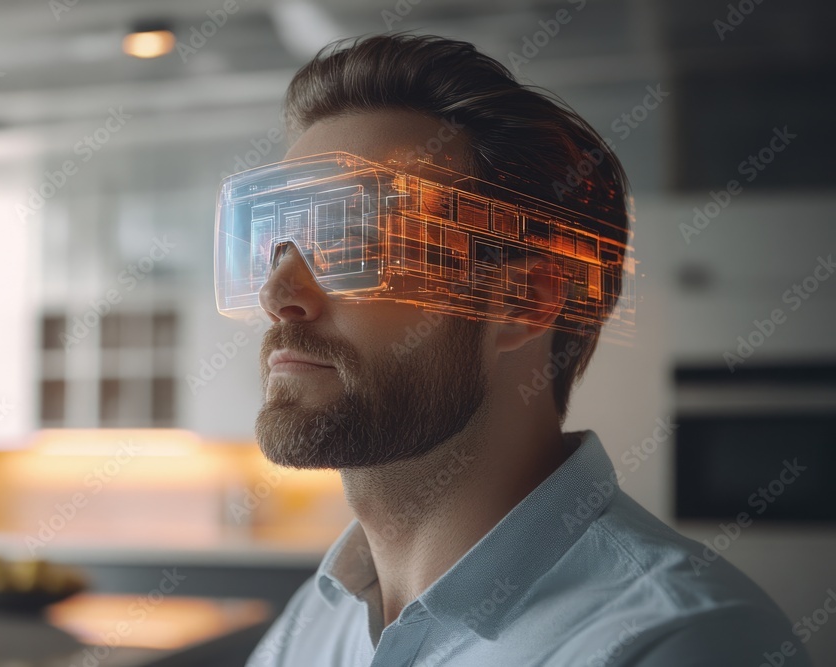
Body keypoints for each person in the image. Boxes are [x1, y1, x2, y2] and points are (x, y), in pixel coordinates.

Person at [236, 34, 809, 666]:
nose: (277, 294)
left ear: (524, 302)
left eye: (351, 246)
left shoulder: (677, 643)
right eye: (277, 248)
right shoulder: (316, 620)